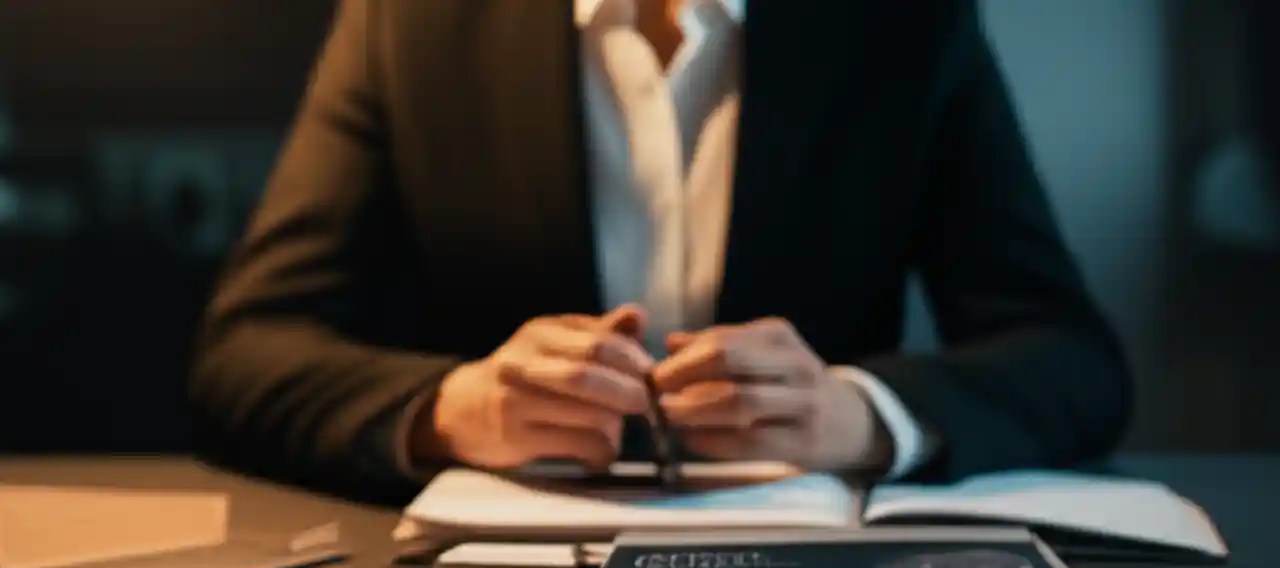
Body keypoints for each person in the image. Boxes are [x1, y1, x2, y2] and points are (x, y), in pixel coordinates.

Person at [190, 0, 1131, 488]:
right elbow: (244, 355)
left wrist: (861, 415)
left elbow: (1072, 359)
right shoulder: (412, 20)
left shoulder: (901, 21)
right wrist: (452, 407)